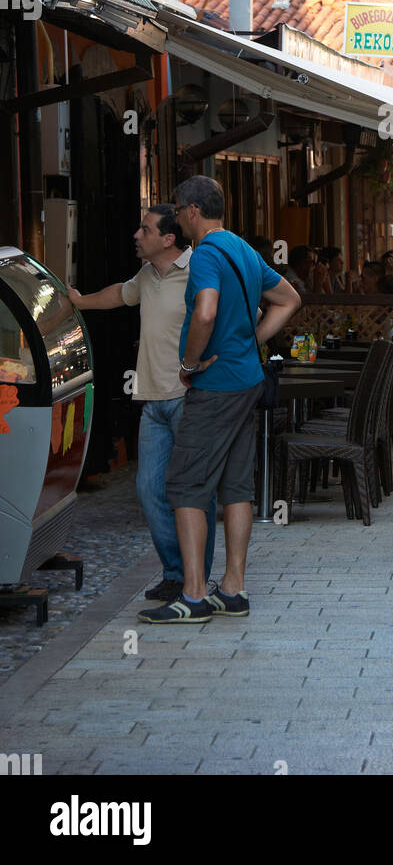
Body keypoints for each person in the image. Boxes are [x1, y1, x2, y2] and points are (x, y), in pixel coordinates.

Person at [139, 176, 299, 626]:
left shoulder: (207, 254)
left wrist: (189, 365)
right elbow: (289, 299)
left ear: (191, 211)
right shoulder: (244, 250)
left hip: (217, 384)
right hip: (247, 379)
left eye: (179, 212)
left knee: (187, 484)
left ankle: (192, 596)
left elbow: (205, 310)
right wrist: (250, 341)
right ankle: (232, 589)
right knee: (235, 487)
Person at [68, 206, 217, 604]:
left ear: (168, 239)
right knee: (149, 489)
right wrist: (79, 302)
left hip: (191, 398)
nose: (137, 234)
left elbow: (242, 313)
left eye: (145, 229)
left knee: (194, 492)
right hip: (152, 401)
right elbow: (120, 293)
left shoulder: (199, 268)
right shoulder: (147, 275)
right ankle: (175, 573)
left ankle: (197, 577)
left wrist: (217, 359)